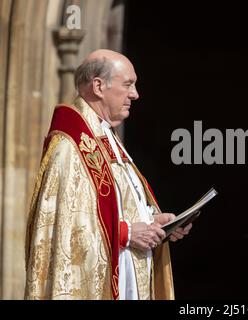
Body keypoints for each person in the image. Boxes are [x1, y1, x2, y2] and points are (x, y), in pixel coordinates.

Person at [25, 49, 192, 300]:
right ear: (99, 86)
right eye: (128, 85)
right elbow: (65, 235)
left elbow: (119, 207)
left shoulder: (107, 139)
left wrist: (155, 222)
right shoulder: (69, 147)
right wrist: (125, 234)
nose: (135, 94)